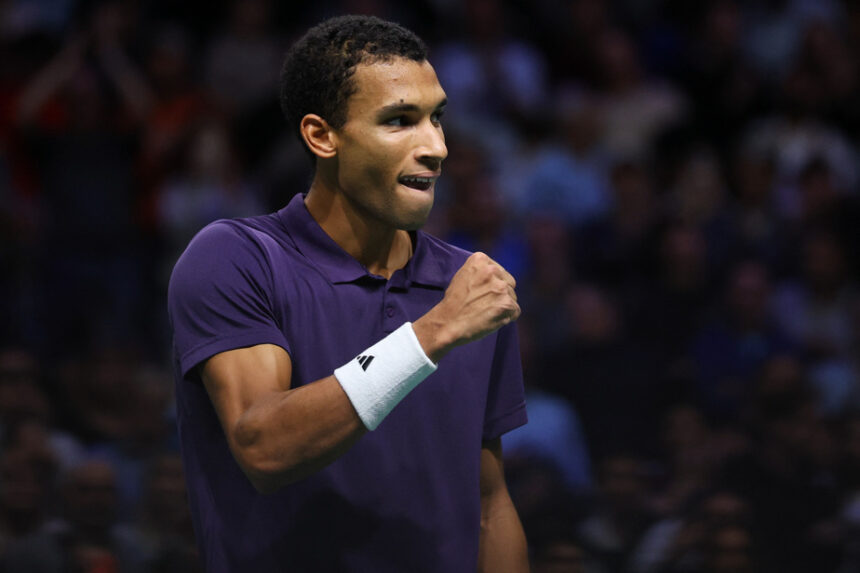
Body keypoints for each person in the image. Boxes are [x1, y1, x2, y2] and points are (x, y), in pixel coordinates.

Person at [167, 14, 529, 572]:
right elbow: (263, 445)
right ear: (322, 136)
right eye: (400, 121)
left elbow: (489, 505)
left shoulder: (468, 288)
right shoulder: (238, 258)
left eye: (437, 118)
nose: (436, 147)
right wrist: (433, 333)